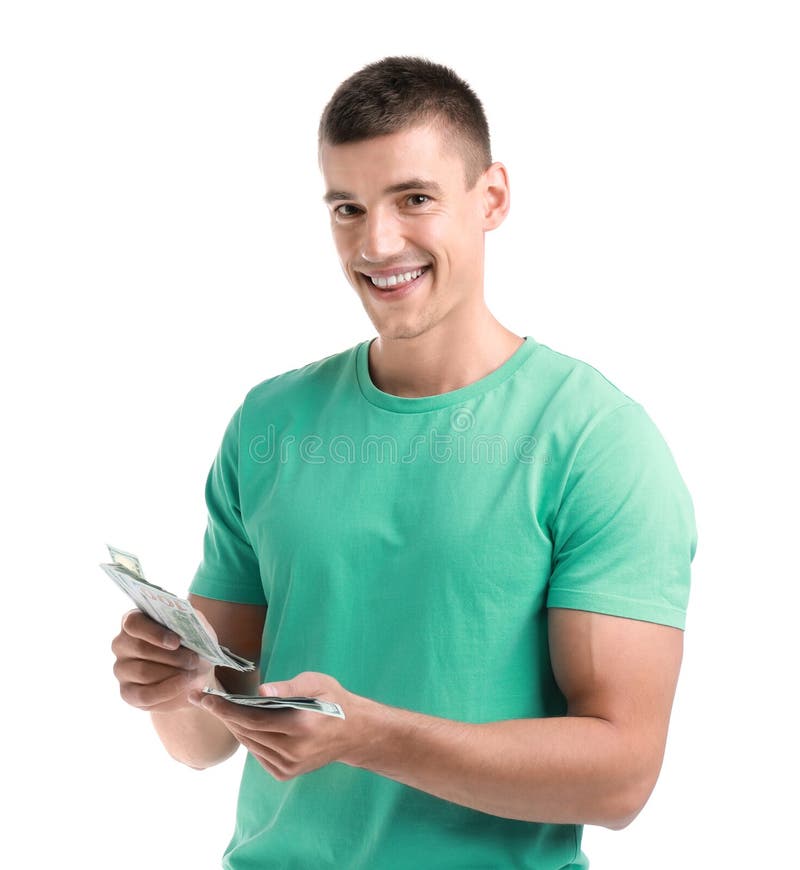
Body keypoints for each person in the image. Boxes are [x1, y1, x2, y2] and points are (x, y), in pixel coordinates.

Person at [111, 55, 697, 869]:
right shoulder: (270, 423)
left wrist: (370, 737)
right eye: (347, 208)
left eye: (413, 199)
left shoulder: (595, 440)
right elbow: (204, 740)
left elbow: (621, 777)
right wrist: (172, 686)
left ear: (490, 197)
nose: (376, 243)